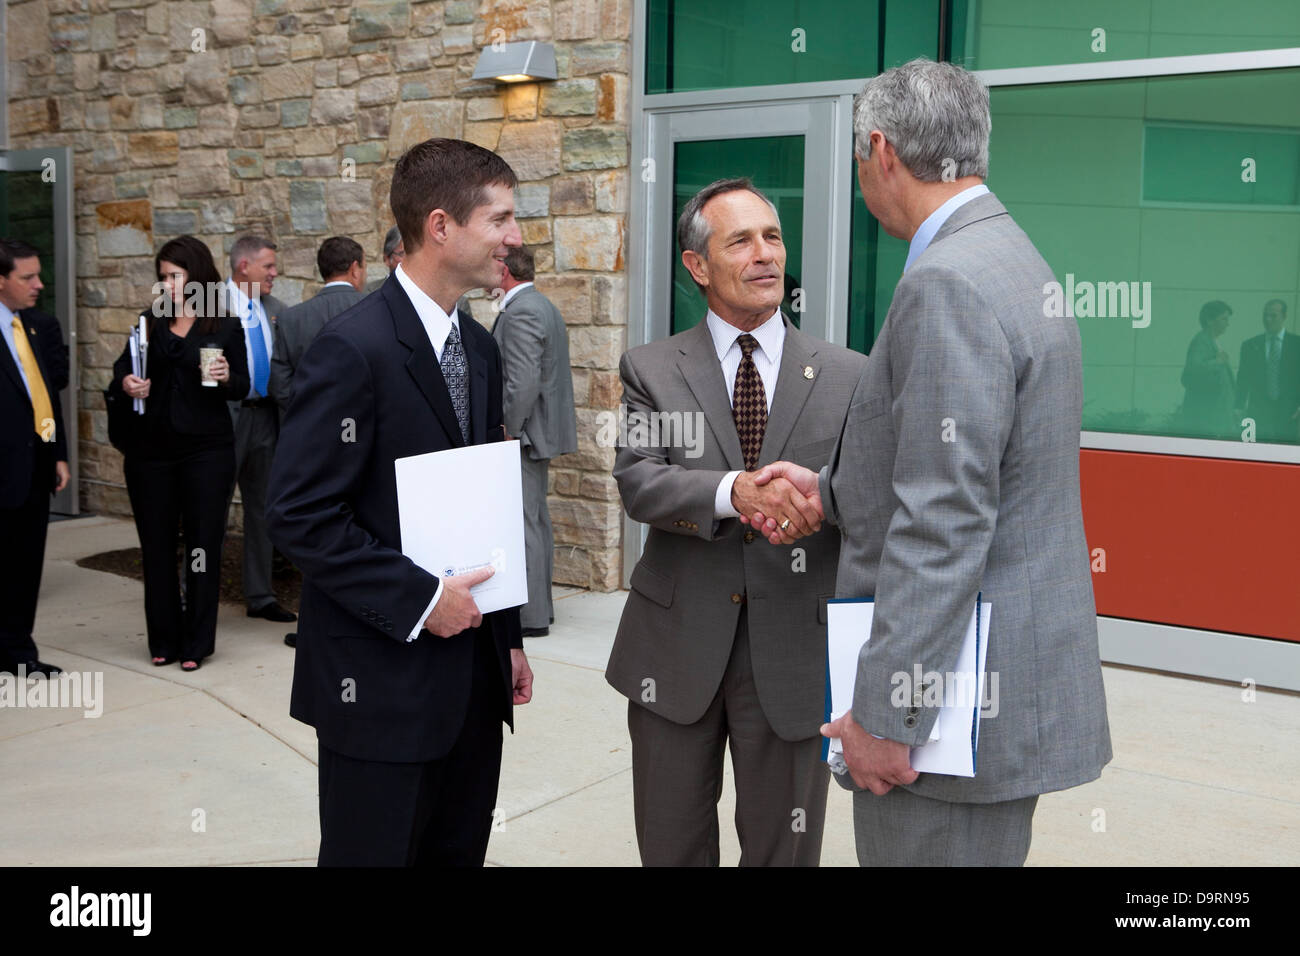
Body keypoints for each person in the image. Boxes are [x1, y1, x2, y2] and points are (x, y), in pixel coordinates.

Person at [744, 59, 1111, 866]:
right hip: (992, 691)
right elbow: (969, 465)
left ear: (882, 150)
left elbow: (944, 521)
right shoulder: (1009, 256)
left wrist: (884, 717)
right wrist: (836, 489)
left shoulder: (948, 281)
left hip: (949, 726)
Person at [267, 138, 534, 867]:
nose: (516, 236)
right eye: (501, 218)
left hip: (473, 683)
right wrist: (421, 599)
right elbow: (299, 513)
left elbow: (482, 493)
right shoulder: (351, 347)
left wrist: (504, 634)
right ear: (442, 226)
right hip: (377, 687)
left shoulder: (479, 349)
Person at [606, 178, 865, 866]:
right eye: (741, 240)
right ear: (698, 265)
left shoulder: (849, 375)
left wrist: (825, 499)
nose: (764, 255)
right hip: (674, 646)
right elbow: (639, 479)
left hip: (795, 652)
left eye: (773, 237)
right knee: (672, 846)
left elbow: (874, 492)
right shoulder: (652, 368)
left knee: (786, 851)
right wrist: (733, 494)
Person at [111, 236, 250, 671]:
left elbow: (245, 386)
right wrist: (127, 383)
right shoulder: (148, 321)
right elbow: (122, 369)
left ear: (197, 275)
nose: (168, 284)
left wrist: (227, 377)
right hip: (150, 452)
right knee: (156, 547)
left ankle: (196, 643)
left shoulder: (224, 326)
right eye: (163, 277)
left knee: (202, 547)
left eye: (175, 275)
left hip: (206, 452)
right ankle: (164, 639)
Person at [492, 244, 577, 637]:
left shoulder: (522, 310)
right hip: (538, 432)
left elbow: (522, 381)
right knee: (536, 520)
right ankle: (542, 608)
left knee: (526, 523)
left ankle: (531, 616)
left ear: (505, 271)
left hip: (524, 435)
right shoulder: (542, 305)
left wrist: (508, 427)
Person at [0, 238, 69, 677]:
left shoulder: (36, 326)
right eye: (27, 277)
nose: (39, 284)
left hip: (34, 468)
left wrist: (58, 453)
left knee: (24, 569)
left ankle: (18, 655)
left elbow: (45, 396)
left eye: (38, 275)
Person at [224, 235, 295, 625]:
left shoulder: (276, 310)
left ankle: (260, 595)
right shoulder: (211, 306)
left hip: (266, 419)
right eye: (267, 266)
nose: (274, 273)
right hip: (226, 420)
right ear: (243, 266)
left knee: (263, 509)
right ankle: (196, 593)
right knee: (211, 509)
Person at [269, 236, 366, 414]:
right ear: (354, 269)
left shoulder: (290, 319)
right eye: (363, 268)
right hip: (365, 424)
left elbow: (280, 387)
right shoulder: (377, 309)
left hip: (311, 425)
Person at [1236, 298, 1300, 443]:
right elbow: (1243, 378)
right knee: (1256, 452)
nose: (1268, 319)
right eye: (1265, 315)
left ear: (1284, 317)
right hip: (1258, 411)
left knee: (1285, 454)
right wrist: (1238, 406)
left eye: (1273, 315)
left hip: (1289, 412)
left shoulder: (1297, 345)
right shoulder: (1250, 345)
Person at [1180, 300, 1236, 439]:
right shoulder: (1201, 341)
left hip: (1216, 418)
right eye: (1224, 319)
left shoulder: (1211, 341)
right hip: (1207, 419)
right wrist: (1217, 362)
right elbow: (1191, 372)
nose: (1227, 323)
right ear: (1210, 320)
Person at [365, 225, 404, 293]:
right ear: (387, 259)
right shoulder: (368, 292)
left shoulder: (426, 291)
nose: (410, 260)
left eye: (413, 254)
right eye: (402, 254)